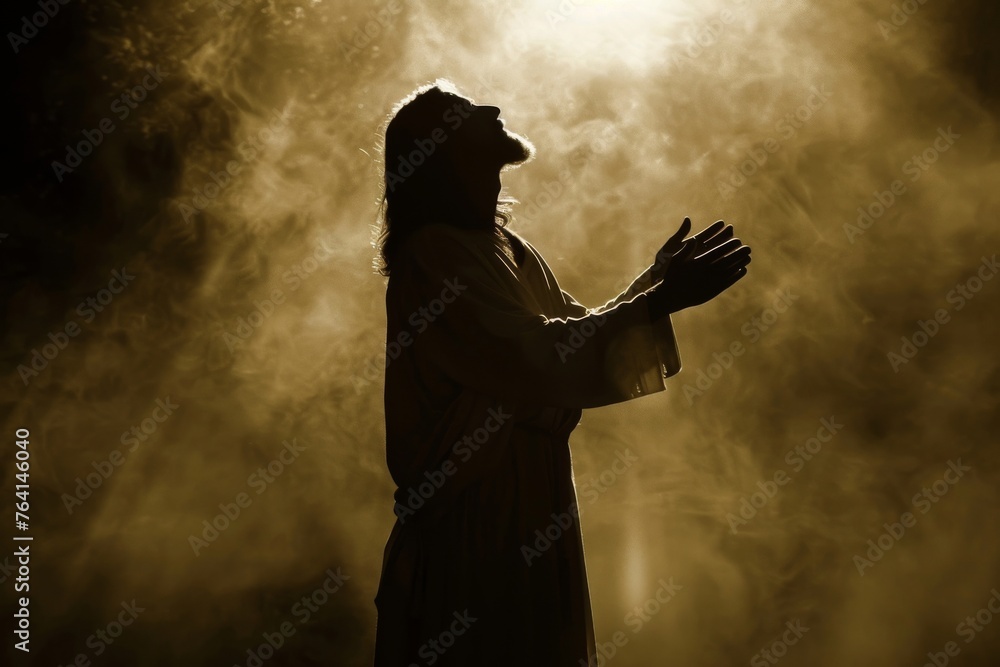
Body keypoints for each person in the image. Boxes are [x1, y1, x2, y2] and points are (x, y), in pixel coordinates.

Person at [372, 79, 750, 666]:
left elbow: (571, 331)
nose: (493, 108)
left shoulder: (508, 249)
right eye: (468, 111)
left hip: (531, 504)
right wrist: (658, 301)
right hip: (477, 519)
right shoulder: (434, 254)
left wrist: (655, 286)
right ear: (440, 149)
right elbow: (532, 359)